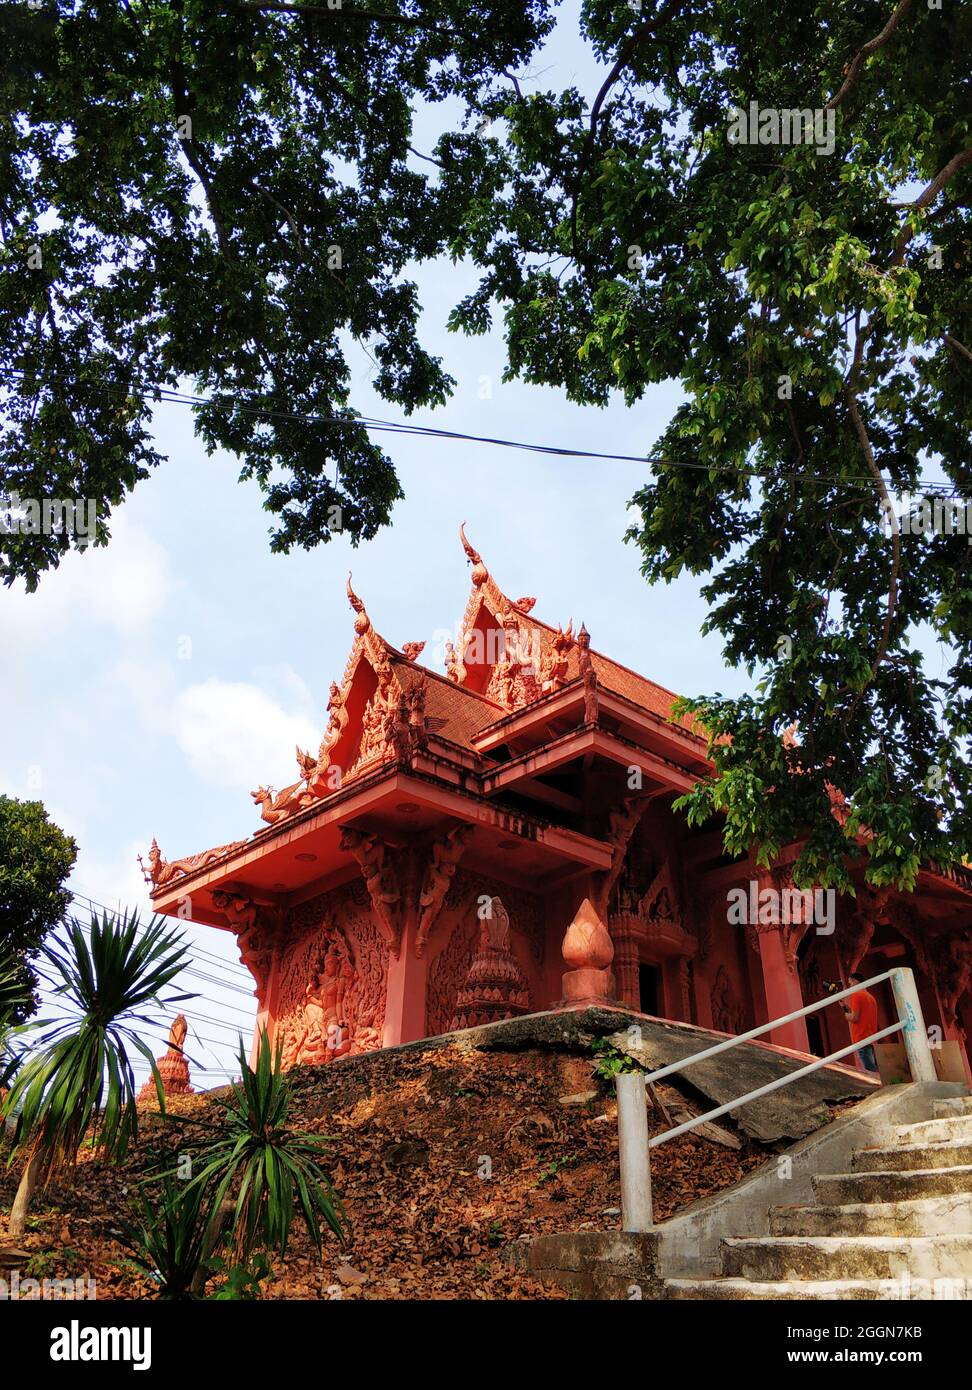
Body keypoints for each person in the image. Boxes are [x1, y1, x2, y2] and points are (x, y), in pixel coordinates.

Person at [842, 972, 879, 1073]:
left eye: (850, 983)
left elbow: (854, 1018)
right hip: (871, 1036)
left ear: (856, 981)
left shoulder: (856, 995)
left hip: (861, 1037)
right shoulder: (871, 997)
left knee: (871, 1071)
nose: (850, 986)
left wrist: (846, 1016)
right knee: (874, 1067)